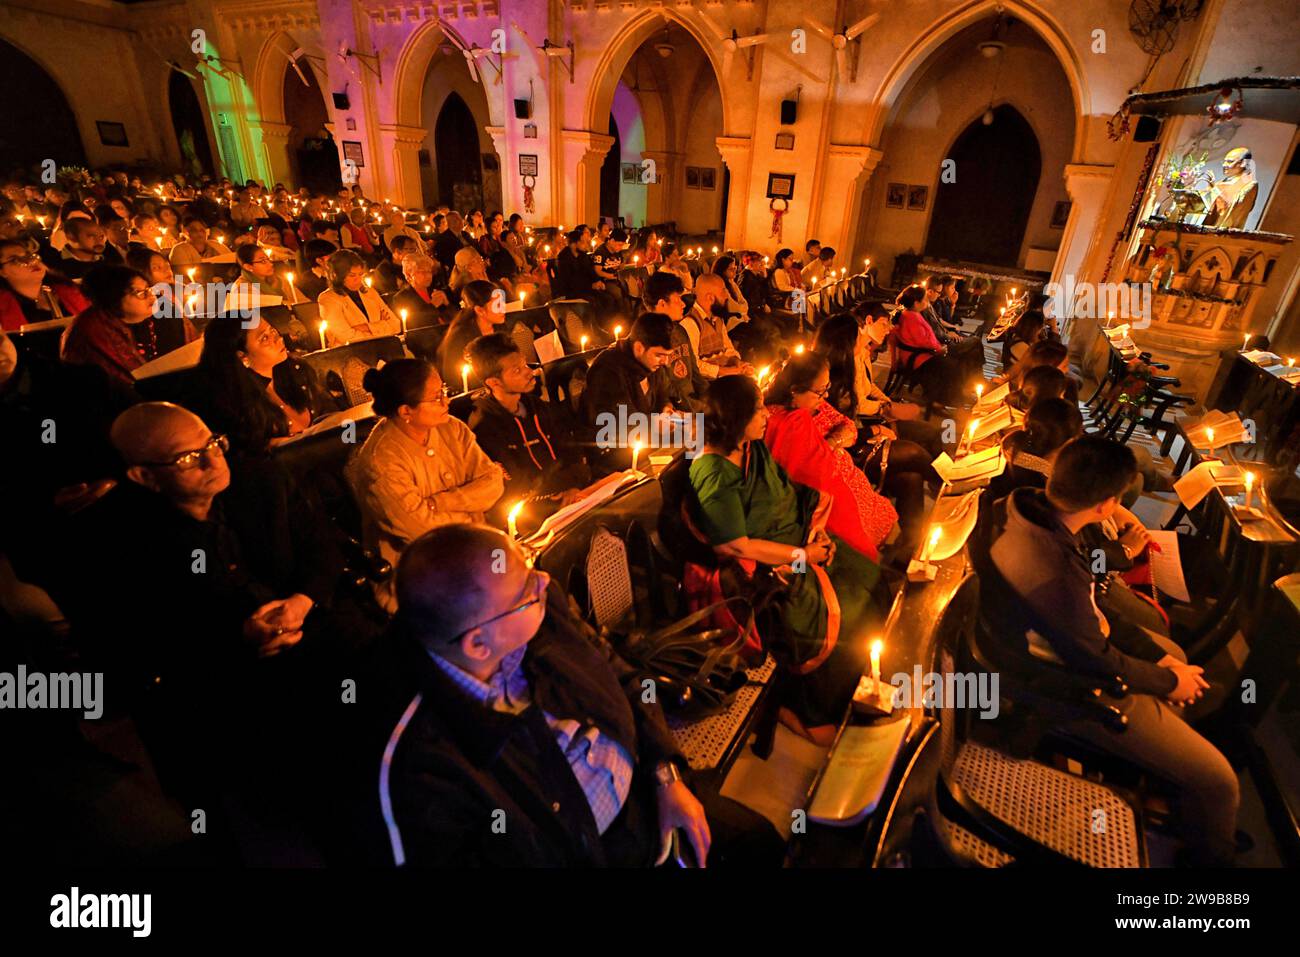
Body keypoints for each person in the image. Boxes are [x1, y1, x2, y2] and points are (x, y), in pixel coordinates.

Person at [344, 523, 783, 866]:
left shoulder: (541, 608)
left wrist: (665, 774)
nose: (545, 582)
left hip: (649, 793)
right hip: (595, 852)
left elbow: (624, 678)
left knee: (758, 841)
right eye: (525, 591)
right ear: (479, 644)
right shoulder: (416, 759)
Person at [987, 435, 1239, 866]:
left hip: (1067, 652)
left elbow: (1094, 603)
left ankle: (1164, 779)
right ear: (1106, 504)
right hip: (1069, 690)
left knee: (1172, 651)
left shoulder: (1018, 505)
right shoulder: (1054, 570)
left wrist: (1163, 662)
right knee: (1220, 782)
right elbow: (1097, 658)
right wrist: (1167, 679)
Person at [685, 375, 880, 743]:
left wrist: (815, 532)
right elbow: (736, 546)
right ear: (735, 417)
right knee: (831, 617)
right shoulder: (712, 470)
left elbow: (786, 494)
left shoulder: (751, 448)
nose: (766, 416)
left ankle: (856, 685)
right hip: (765, 570)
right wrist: (803, 555)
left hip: (798, 540)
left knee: (868, 579)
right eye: (757, 409)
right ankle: (807, 709)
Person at [344, 359, 504, 612]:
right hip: (422, 576)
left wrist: (439, 502)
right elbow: (422, 531)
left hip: (476, 554)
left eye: (444, 391)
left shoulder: (452, 428)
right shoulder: (381, 462)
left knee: (540, 590)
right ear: (406, 411)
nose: (446, 401)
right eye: (436, 397)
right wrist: (470, 506)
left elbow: (493, 482)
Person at [762, 353, 897, 561]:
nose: (825, 396)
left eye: (827, 388)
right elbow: (809, 478)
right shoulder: (787, 422)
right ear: (794, 390)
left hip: (848, 486)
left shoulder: (810, 406)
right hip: (829, 506)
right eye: (820, 391)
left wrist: (834, 442)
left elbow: (847, 426)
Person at [467, 333, 589, 527]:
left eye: (525, 364)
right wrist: (560, 490)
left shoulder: (538, 407)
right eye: (517, 370)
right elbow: (515, 484)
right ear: (494, 382)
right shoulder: (484, 427)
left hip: (570, 496)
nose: (529, 372)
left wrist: (574, 486)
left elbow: (572, 449)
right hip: (528, 516)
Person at [583, 312, 676, 477]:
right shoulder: (608, 370)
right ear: (639, 348)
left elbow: (663, 394)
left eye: (668, 356)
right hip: (616, 453)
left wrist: (666, 409)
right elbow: (619, 425)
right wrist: (657, 425)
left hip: (650, 441)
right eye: (660, 355)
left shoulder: (652, 365)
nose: (665, 362)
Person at [61, 266, 156, 386]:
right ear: (114, 296)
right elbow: (135, 378)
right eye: (141, 293)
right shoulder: (97, 328)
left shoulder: (111, 320)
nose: (152, 297)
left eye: (149, 289)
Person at [317, 249, 401, 347]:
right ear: (337, 276)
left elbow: (396, 325)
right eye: (352, 275)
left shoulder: (370, 292)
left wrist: (366, 327)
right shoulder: (328, 299)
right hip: (350, 355)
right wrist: (381, 325)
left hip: (382, 349)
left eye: (360, 274)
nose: (358, 280)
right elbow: (347, 337)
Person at [0, 240, 89, 331]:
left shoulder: (71, 291)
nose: (31, 262)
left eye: (29, 255)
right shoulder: (4, 309)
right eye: (15, 260)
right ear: (2, 272)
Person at [682, 274, 749, 380]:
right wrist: (727, 371)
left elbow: (728, 348)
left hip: (724, 377)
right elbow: (693, 365)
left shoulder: (717, 318)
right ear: (710, 298)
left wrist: (737, 362)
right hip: (708, 384)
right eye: (723, 291)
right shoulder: (690, 323)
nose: (727, 296)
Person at [438, 280, 502, 390]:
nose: (503, 308)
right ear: (479, 310)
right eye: (497, 305)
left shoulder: (500, 328)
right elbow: (454, 378)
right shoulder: (460, 337)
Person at [391, 254, 451, 328]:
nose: (428, 276)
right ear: (409, 275)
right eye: (423, 272)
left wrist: (447, 304)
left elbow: (456, 319)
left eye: (429, 272)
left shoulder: (436, 291)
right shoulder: (401, 298)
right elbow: (412, 324)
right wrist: (432, 306)